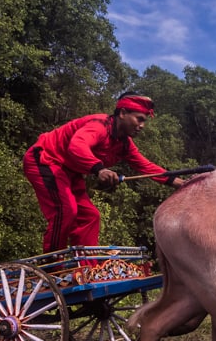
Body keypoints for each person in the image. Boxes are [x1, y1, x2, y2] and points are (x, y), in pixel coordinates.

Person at [23, 93, 186, 252]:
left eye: (144, 121)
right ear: (122, 113)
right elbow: (77, 146)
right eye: (139, 119)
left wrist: (181, 184)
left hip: (70, 171)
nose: (142, 125)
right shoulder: (99, 126)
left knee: (90, 217)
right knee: (66, 210)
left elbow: (147, 167)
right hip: (45, 159)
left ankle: (86, 269)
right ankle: (52, 268)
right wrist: (99, 169)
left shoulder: (124, 144)